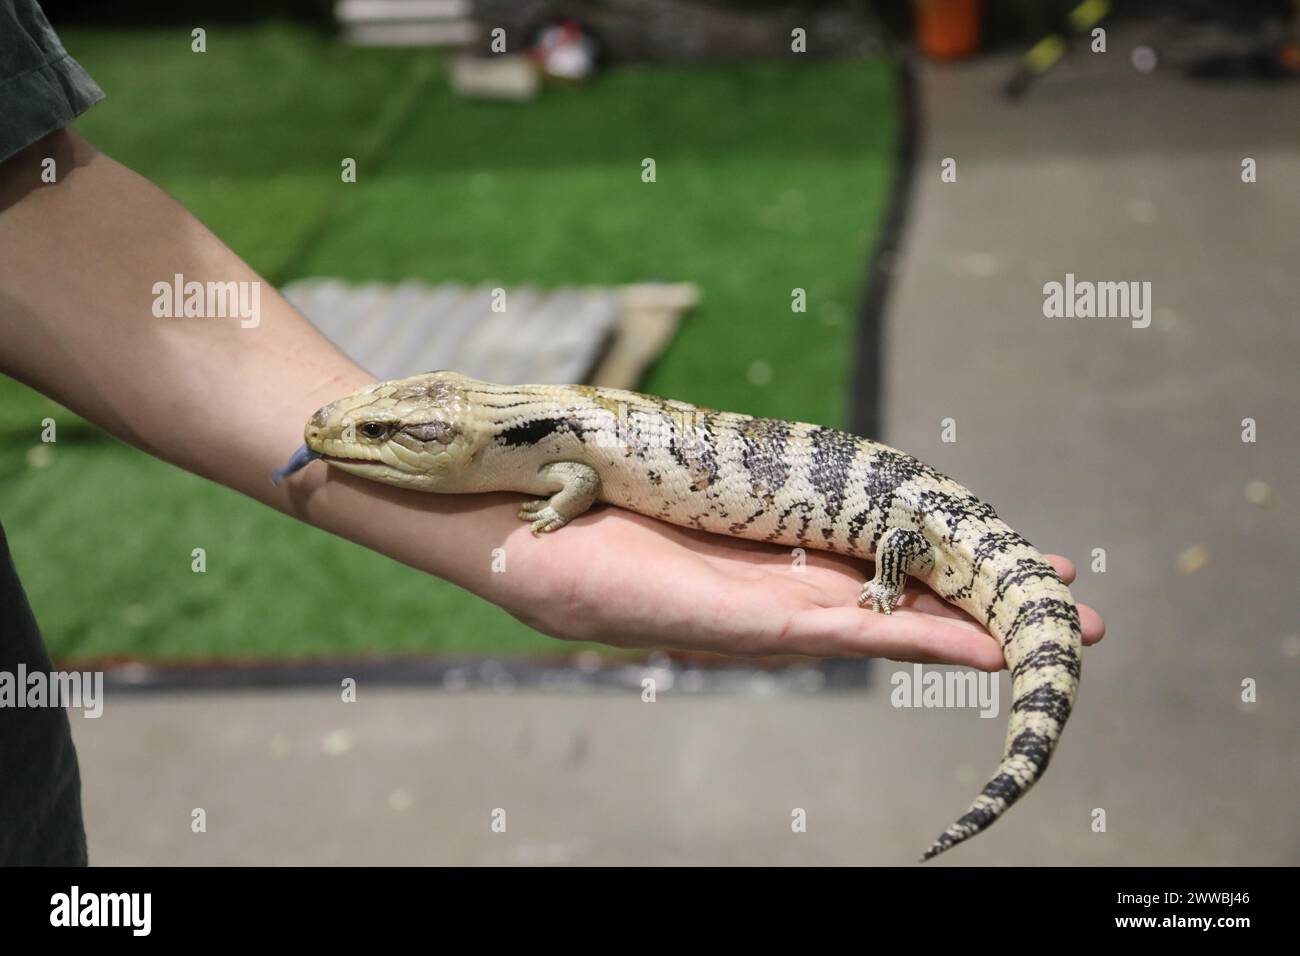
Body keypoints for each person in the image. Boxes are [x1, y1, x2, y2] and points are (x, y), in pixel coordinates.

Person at [0, 1, 1104, 865]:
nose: (356, 437)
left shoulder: (543, 441)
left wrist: (881, 572)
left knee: (972, 577)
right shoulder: (541, 435)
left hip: (894, 508)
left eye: (391, 432)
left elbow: (26, 194)